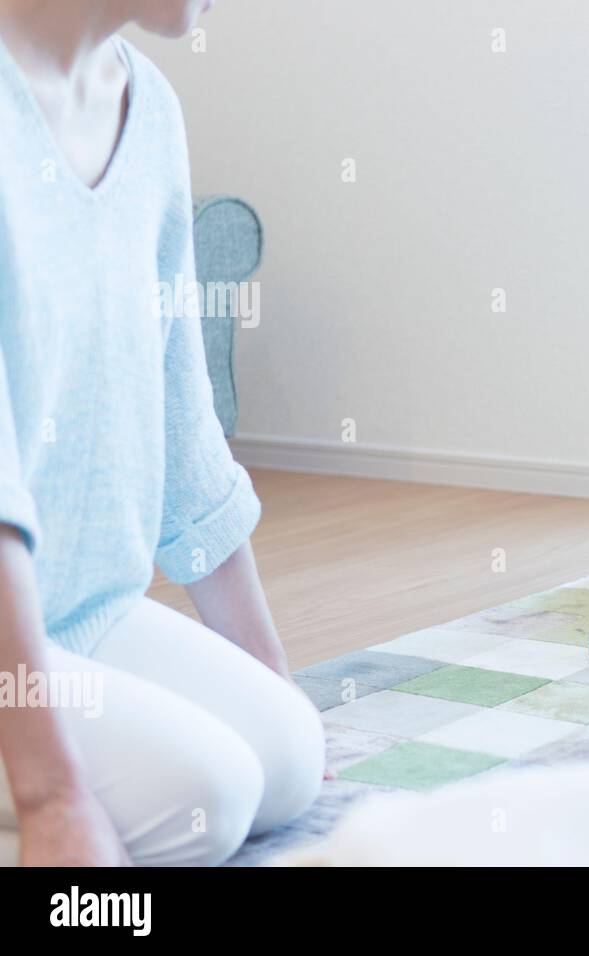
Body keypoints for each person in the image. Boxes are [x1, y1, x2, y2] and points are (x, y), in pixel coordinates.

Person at [0, 0, 323, 866]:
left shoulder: (155, 114)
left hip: (87, 610)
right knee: (203, 797)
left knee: (287, 759)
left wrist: (264, 675)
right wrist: (51, 797)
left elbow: (183, 425)